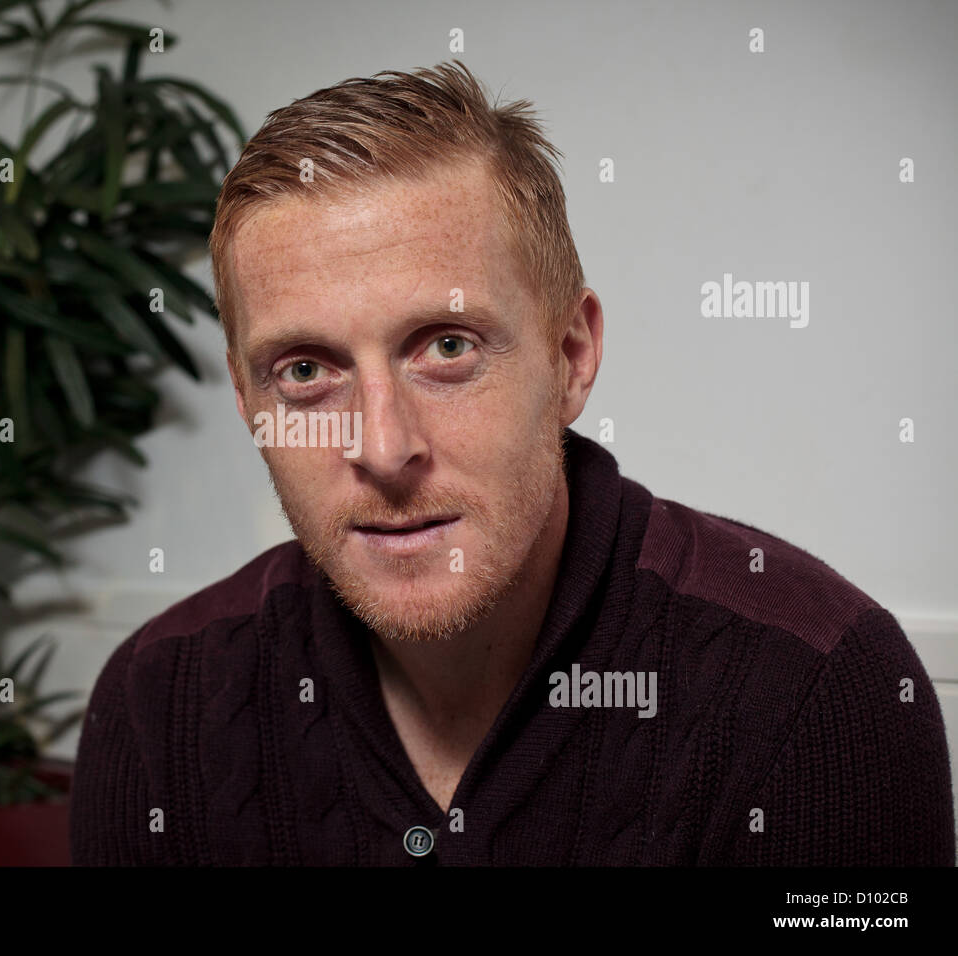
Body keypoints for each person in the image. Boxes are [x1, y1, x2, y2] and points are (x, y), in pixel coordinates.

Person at [70, 60, 954, 865]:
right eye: (305, 371)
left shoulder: (817, 690)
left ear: (570, 356)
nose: (383, 448)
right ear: (247, 402)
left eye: (447, 347)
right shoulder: (160, 705)